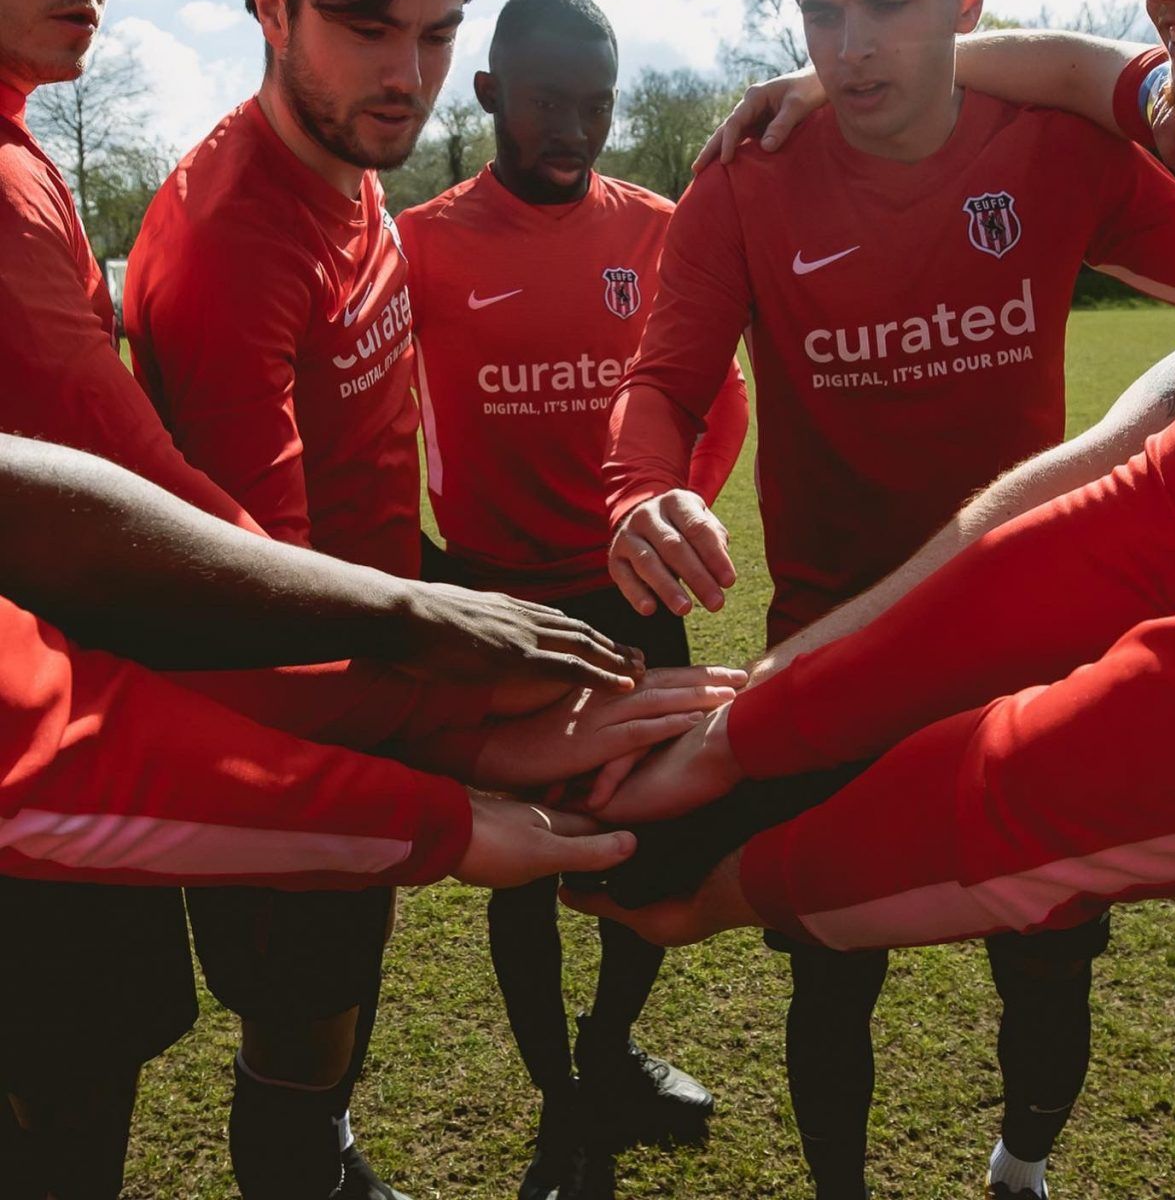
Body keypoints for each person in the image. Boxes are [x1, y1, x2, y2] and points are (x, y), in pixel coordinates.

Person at [0, 0, 664, 1200]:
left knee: (316, 1029)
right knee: (289, 1029)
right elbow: (230, 588)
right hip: (286, 713)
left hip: (360, 672)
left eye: (434, 37)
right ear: (265, 4)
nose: (407, 77)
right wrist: (466, 725)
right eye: (366, 28)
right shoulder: (234, 245)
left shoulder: (350, 173)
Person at [602, 0, 1175, 1200]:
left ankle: (1021, 1165)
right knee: (827, 963)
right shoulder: (747, 173)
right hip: (822, 643)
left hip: (1031, 631)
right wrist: (642, 485)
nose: (851, 48)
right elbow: (662, 378)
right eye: (820, 16)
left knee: (1047, 945)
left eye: (888, 2)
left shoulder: (1064, 151)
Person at [0, 429, 742, 1197]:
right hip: (308, 685)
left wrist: (425, 683)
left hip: (341, 665)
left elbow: (57, 518)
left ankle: (332, 1158)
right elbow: (35, 738)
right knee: (76, 1075)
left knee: (277, 1015)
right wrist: (436, 791)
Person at [400, 0, 748, 1198]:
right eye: (548, 101)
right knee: (534, 861)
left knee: (639, 842)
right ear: (491, 94)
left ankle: (608, 1060)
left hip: (627, 600)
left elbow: (714, 398)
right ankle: (560, 1110)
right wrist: (428, 564)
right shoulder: (422, 243)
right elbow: (362, 422)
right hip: (503, 607)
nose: (575, 127)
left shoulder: (654, 229)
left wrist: (656, 525)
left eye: (595, 104)